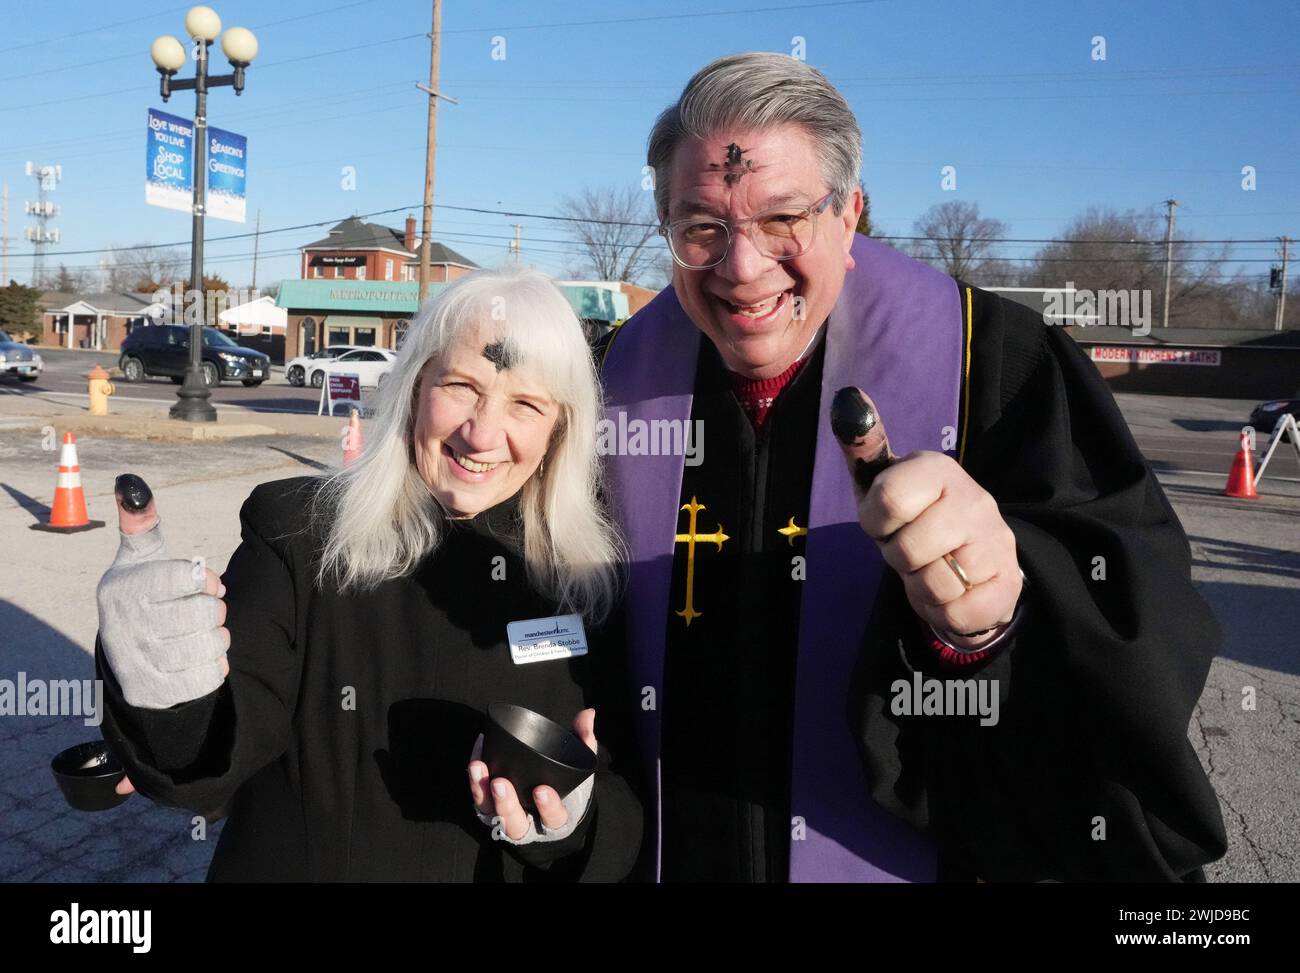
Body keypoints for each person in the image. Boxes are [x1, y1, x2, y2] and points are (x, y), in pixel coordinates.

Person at [598, 52, 1227, 882]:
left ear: (850, 213)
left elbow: (1129, 640)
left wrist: (993, 623)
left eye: (784, 218)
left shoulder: (998, 368)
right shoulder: (603, 384)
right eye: (702, 227)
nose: (742, 268)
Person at [94, 265, 643, 882]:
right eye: (461, 385)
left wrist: (571, 825)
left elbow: (624, 806)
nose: (482, 433)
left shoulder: (587, 579)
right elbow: (208, 768)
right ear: (413, 387)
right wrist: (167, 695)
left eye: (525, 403)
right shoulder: (299, 535)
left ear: (558, 430)